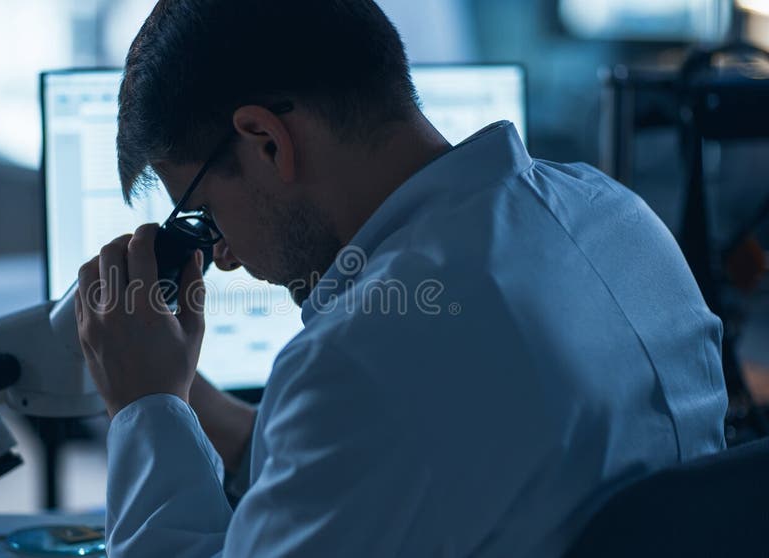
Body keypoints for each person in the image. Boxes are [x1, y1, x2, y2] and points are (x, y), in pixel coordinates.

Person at [73, 1, 728, 556]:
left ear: (268, 140)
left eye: (204, 213)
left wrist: (145, 411)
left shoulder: (362, 361)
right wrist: (181, 392)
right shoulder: (616, 218)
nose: (223, 257)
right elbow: (368, 461)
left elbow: (368, 414)